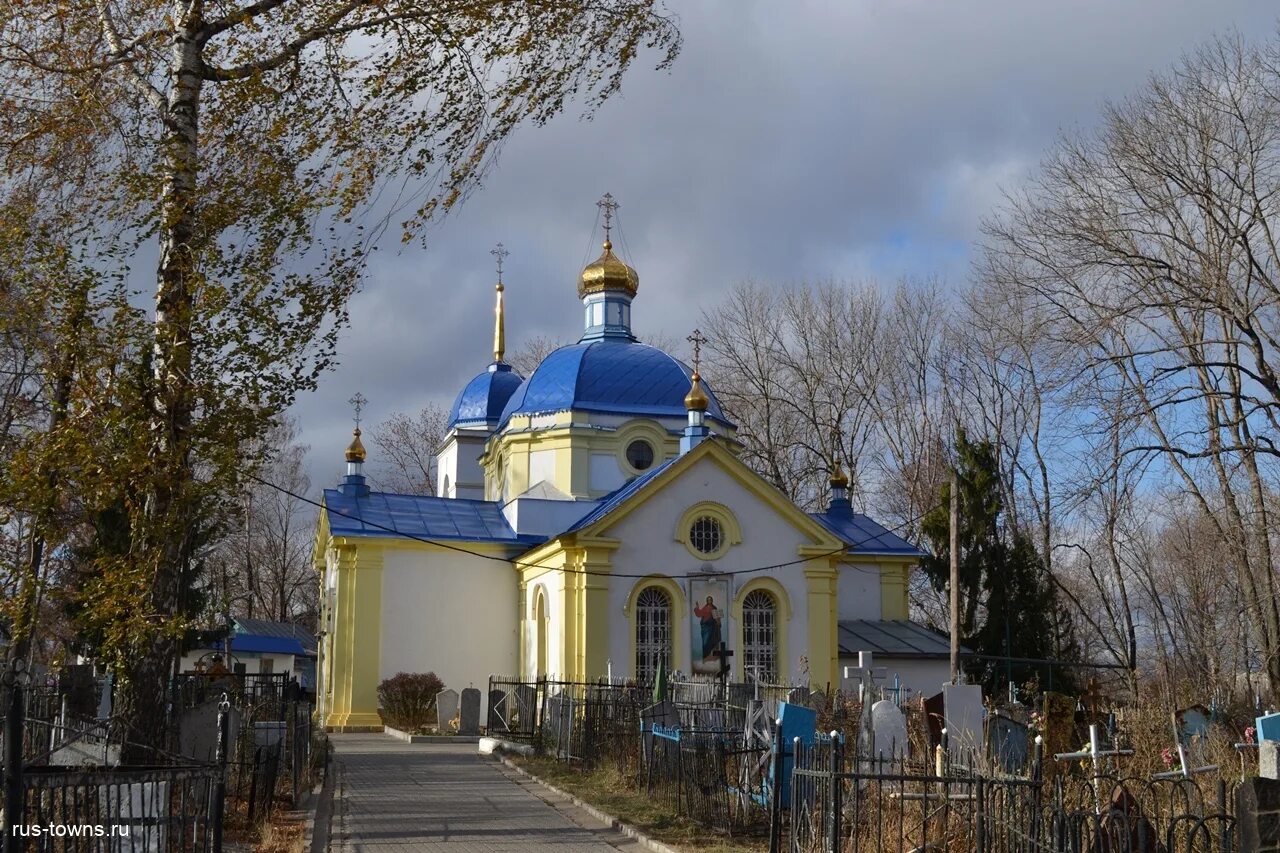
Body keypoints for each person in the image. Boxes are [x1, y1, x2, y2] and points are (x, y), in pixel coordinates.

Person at [693, 595, 723, 661]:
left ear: (712, 601)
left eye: (710, 599)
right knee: (705, 642)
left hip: (713, 628)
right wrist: (697, 608)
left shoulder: (714, 608)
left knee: (713, 641)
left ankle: (712, 656)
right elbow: (699, 614)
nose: (709, 601)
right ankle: (706, 657)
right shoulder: (705, 608)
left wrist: (719, 622)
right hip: (705, 628)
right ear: (707, 601)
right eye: (708, 600)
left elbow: (717, 618)